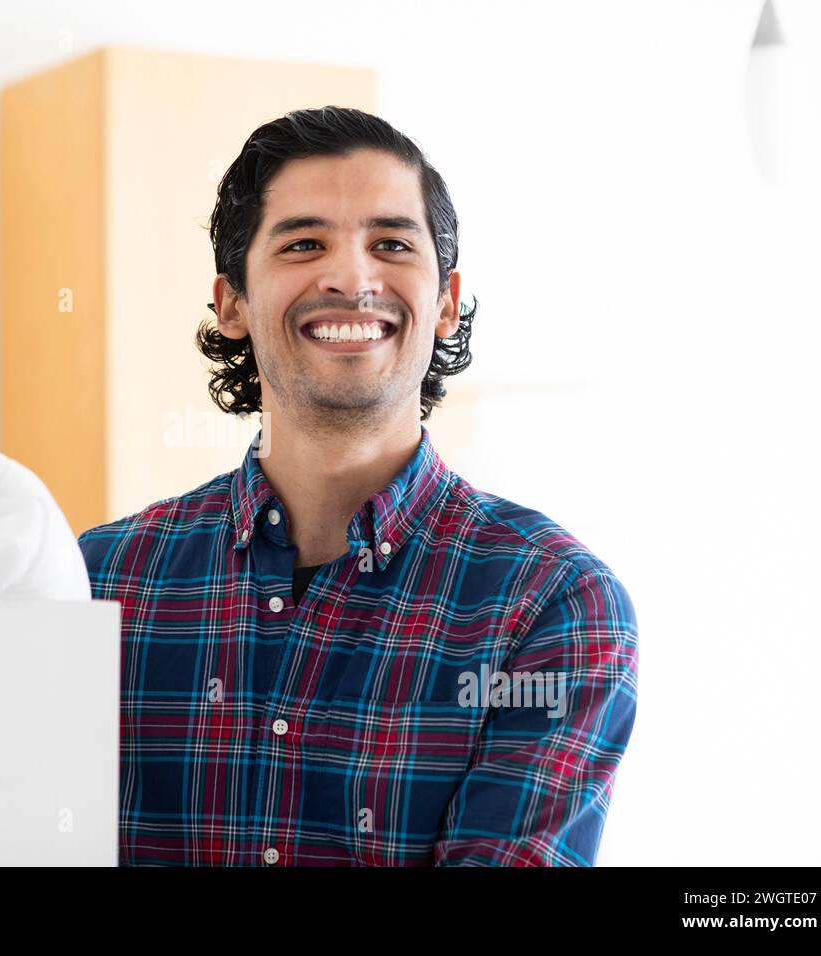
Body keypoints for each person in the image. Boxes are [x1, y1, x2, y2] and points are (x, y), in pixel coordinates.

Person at [79, 106, 638, 866]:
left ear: (445, 302)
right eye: (305, 243)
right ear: (232, 303)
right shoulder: (97, 584)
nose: (350, 276)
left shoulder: (552, 604)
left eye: (392, 244)